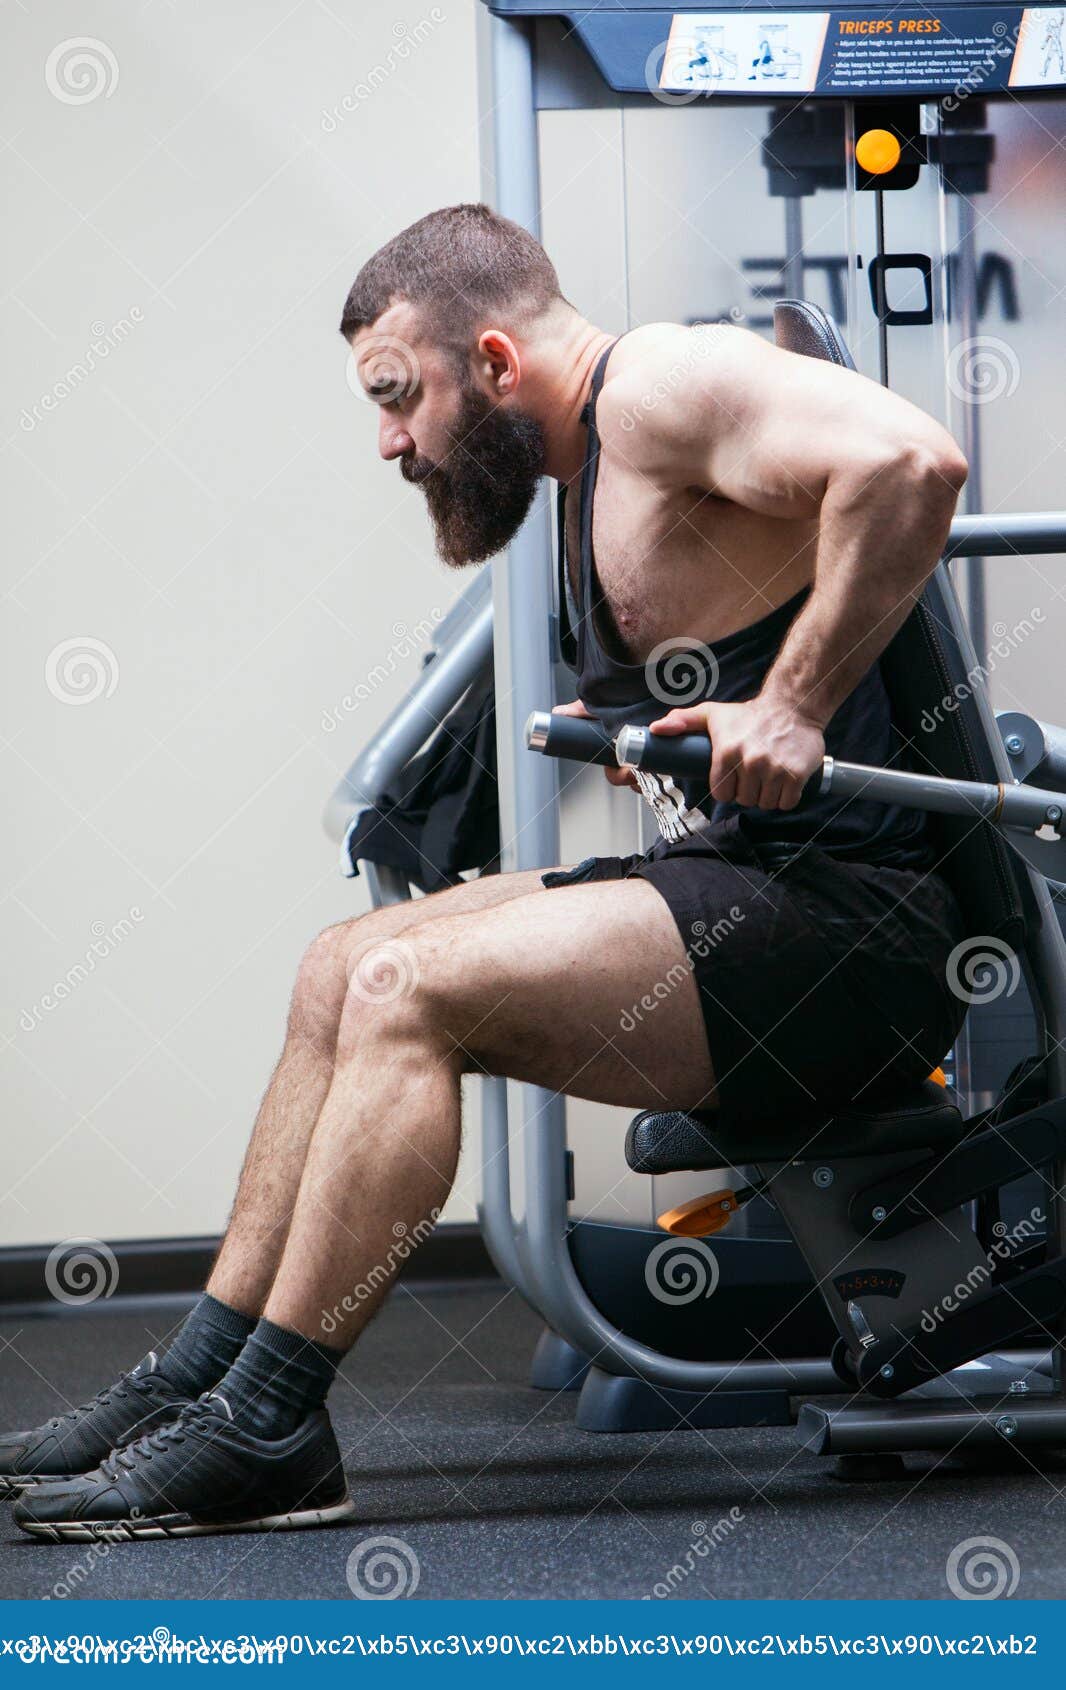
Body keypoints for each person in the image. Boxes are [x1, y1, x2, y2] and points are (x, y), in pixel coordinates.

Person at [5, 203, 970, 1540]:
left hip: (853, 934)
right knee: (339, 964)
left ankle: (272, 1424)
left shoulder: (663, 388)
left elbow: (915, 460)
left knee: (405, 985)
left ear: (499, 364)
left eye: (400, 396)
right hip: (760, 882)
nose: (389, 439)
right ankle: (204, 1375)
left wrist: (795, 704)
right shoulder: (594, 461)